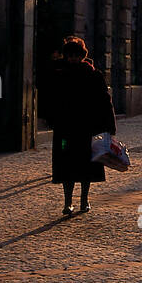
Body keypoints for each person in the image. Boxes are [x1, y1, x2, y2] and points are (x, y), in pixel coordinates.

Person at [47, 36, 116, 217]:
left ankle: (84, 199)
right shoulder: (59, 74)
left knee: (87, 165)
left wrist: (110, 125)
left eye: (76, 56)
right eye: (70, 56)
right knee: (66, 165)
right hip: (65, 128)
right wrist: (52, 119)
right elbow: (50, 99)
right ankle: (68, 202)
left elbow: (104, 101)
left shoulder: (93, 74)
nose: (73, 59)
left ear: (82, 56)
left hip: (88, 127)